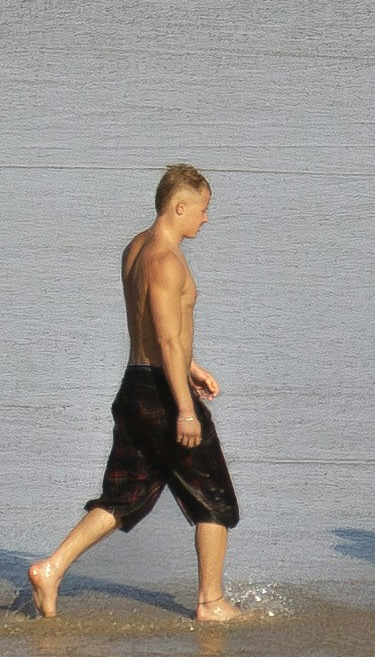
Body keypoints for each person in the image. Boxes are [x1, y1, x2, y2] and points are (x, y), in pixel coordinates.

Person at [28, 163, 238, 624]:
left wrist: (192, 366)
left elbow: (153, 330)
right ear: (178, 207)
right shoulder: (166, 259)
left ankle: (52, 567)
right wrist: (185, 407)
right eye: (202, 210)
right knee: (214, 496)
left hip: (137, 383)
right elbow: (164, 338)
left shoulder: (135, 248)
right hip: (163, 394)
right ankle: (211, 601)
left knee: (124, 495)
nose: (206, 219)